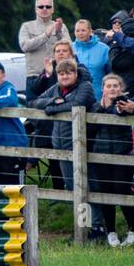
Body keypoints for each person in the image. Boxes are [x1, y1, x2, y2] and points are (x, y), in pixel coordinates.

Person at [34, 59, 96, 193]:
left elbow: (78, 104)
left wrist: (52, 109)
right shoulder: (56, 87)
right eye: (61, 74)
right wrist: (53, 100)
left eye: (68, 73)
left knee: (88, 185)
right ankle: (77, 212)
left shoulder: (85, 85)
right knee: (71, 183)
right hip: (61, 143)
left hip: (83, 142)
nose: (65, 76)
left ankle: (93, 213)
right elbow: (37, 102)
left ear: (75, 74)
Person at [88, 74, 134, 245]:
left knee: (121, 190)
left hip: (122, 154)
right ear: (103, 89)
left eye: (116, 85)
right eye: (108, 86)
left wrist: (129, 108)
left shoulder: (126, 103)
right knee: (105, 192)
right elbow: (90, 126)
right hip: (100, 155)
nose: (112, 89)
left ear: (121, 88)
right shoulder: (96, 107)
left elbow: (119, 112)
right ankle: (111, 232)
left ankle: (133, 229)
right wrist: (101, 108)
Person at [0, 61, 27, 184]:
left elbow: (9, 100)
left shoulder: (9, 88)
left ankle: (20, 204)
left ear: (3, 76)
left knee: (14, 183)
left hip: (13, 142)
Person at [18, 0, 68, 81]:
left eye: (48, 7)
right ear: (36, 9)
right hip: (34, 76)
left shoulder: (61, 26)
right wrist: (46, 35)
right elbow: (24, 46)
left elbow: (69, 48)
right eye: (41, 7)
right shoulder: (26, 26)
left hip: (56, 75)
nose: (44, 9)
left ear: (52, 10)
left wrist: (59, 33)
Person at [73, 19, 110, 84]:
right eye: (77, 31)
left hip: (98, 91)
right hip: (76, 91)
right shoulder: (70, 48)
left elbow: (110, 73)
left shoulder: (104, 49)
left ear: (90, 31)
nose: (80, 33)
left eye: (83, 30)